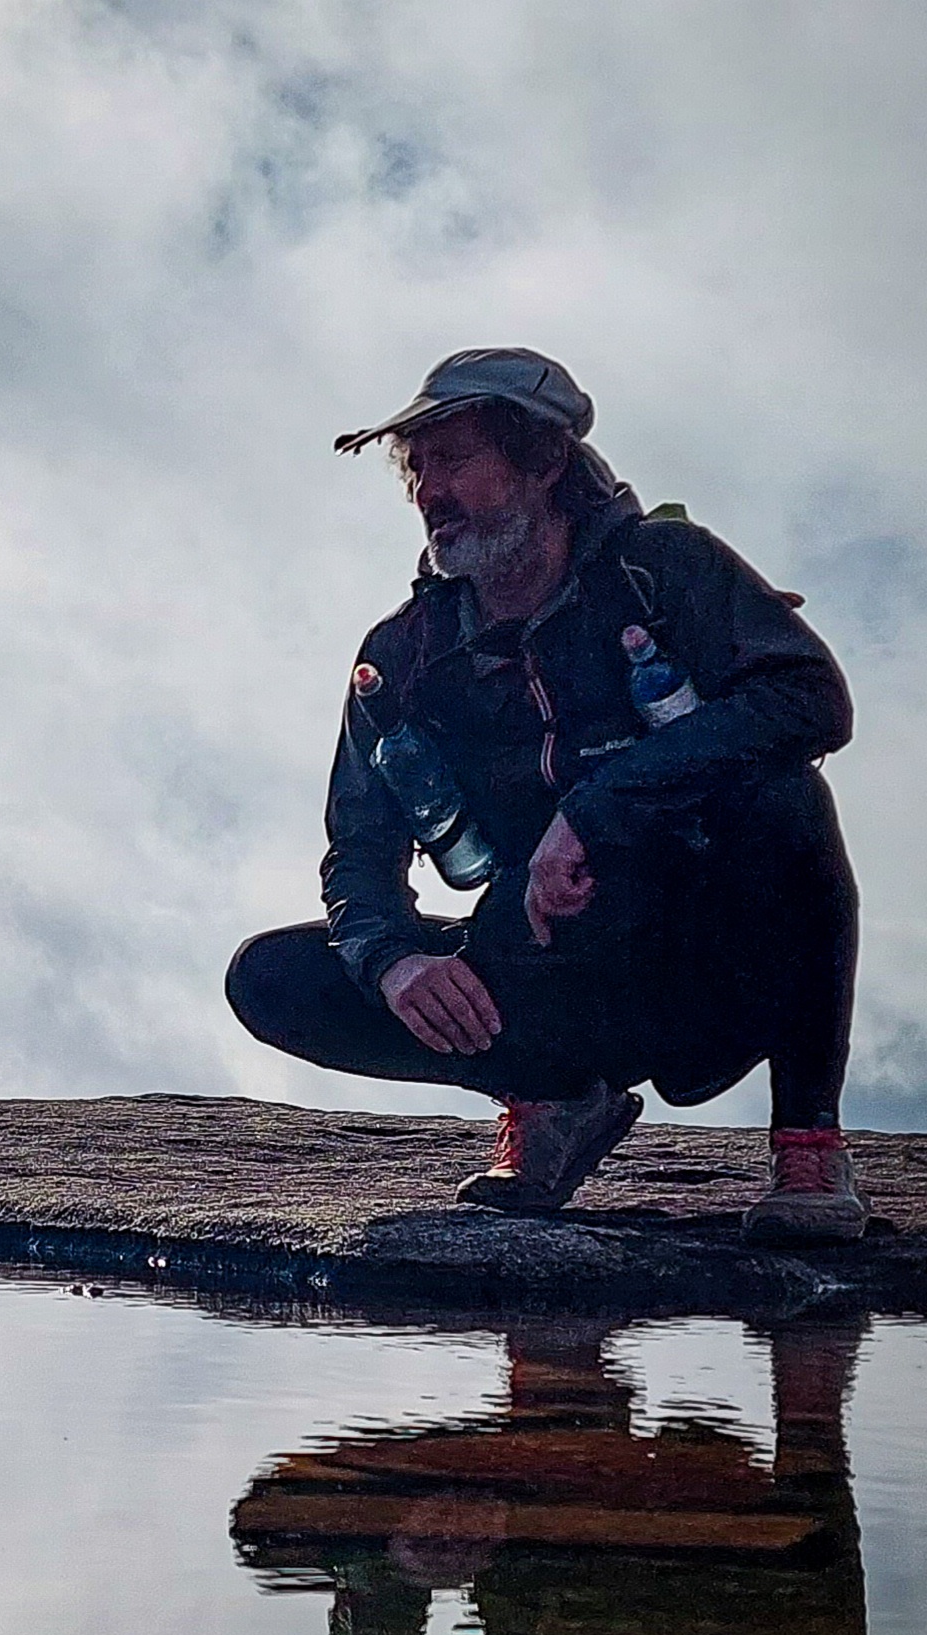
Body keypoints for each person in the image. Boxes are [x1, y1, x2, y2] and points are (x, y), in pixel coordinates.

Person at [226, 348, 867, 1241]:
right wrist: (395, 961)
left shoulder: (661, 570)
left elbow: (809, 698)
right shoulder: (404, 652)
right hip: (550, 977)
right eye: (417, 469)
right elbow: (358, 849)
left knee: (788, 803)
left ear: (543, 459)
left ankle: (807, 1144)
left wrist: (596, 809)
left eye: (454, 460)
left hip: (708, 961)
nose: (429, 491)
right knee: (271, 976)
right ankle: (550, 1100)